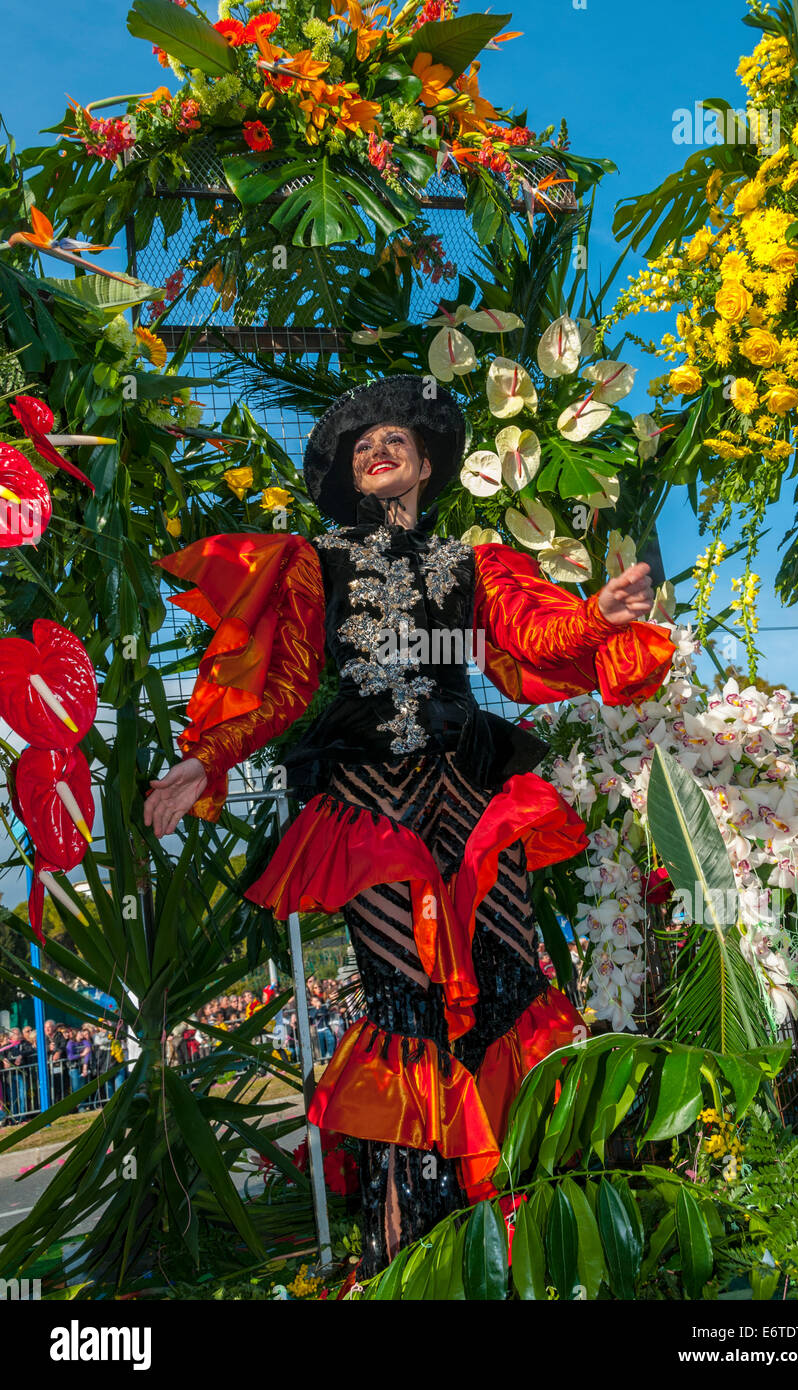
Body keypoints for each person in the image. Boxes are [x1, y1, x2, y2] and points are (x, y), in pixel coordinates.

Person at [143, 374, 674, 1273]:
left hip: (470, 792)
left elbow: (532, 638)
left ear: (426, 463)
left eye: (394, 439)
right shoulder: (314, 563)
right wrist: (209, 756)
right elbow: (282, 688)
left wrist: (592, 617)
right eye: (361, 446)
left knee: (509, 986)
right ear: (351, 476)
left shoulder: (478, 564)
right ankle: (416, 1255)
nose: (377, 450)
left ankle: (528, 1235)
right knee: (406, 1007)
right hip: (370, 805)